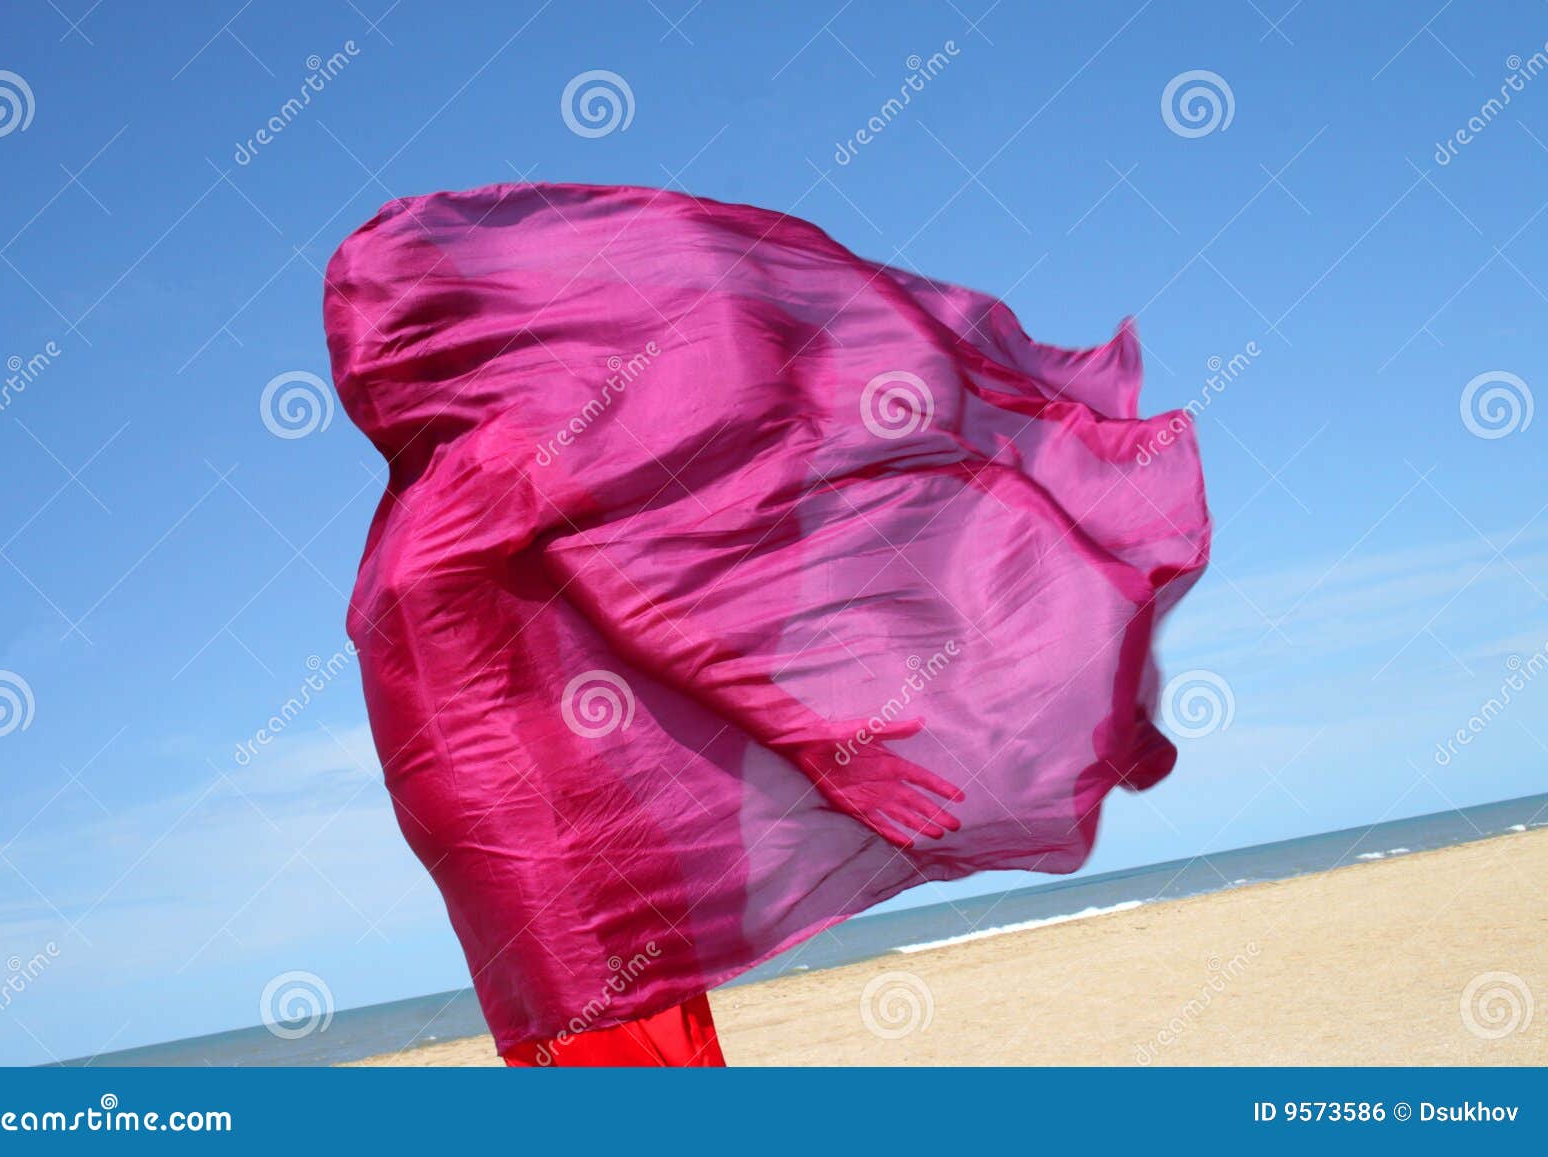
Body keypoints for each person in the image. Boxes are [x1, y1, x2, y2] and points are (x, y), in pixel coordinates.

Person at [322, 182, 1209, 1067]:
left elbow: (640, 595)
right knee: (577, 1046)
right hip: (494, 848)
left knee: (612, 1045)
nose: (355, 361)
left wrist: (820, 740)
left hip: (552, 834)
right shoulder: (413, 501)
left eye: (371, 329)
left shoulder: (497, 459)